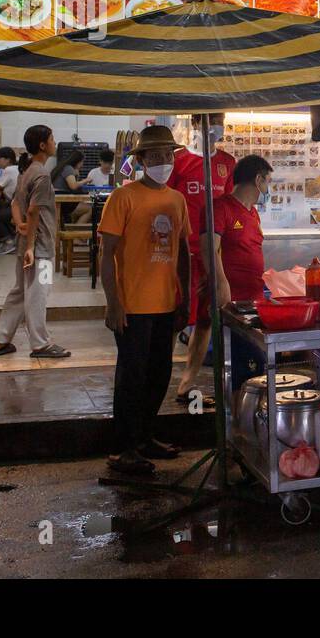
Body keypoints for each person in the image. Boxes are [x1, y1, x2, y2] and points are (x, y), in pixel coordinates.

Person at [99, 124, 191, 475]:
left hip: (166, 303)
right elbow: (106, 255)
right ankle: (122, 448)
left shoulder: (177, 199)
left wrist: (183, 299)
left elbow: (183, 252)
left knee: (159, 375)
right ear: (140, 160)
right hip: (132, 306)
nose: (163, 161)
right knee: (131, 378)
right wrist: (113, 302)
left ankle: (144, 437)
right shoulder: (123, 197)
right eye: (155, 156)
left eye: (168, 155)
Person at [168, 115, 236, 406]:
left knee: (206, 320)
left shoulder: (227, 163)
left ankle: (187, 383)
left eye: (219, 119)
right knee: (175, 318)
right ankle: (157, 379)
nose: (215, 125)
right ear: (195, 122)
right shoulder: (178, 161)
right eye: (209, 119)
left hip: (213, 255)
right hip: (180, 254)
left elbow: (230, 206)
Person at [0, 126, 70, 360]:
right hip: (40, 248)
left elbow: (15, 203)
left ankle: (1, 340)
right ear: (43, 145)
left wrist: (19, 226)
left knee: (20, 292)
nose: (55, 142)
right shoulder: (42, 175)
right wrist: (31, 247)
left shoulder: (26, 171)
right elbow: (34, 211)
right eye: (52, 139)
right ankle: (40, 344)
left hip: (28, 242)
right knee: (39, 292)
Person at [200, 154, 270, 319]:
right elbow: (209, 248)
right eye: (268, 182)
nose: (268, 189)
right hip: (229, 302)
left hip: (253, 300)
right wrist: (221, 285)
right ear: (258, 180)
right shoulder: (219, 208)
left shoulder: (253, 213)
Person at [51, 150, 91, 226]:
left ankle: (71, 232)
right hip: (62, 202)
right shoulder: (68, 168)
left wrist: (77, 175)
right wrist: (86, 180)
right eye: (82, 162)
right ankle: (76, 235)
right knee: (90, 209)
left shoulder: (62, 167)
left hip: (58, 201)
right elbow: (73, 186)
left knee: (79, 209)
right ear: (77, 161)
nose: (82, 165)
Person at [0, 147, 20, 253]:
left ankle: (8, 242)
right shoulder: (16, 168)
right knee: (2, 212)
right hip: (17, 203)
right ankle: (12, 240)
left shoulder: (9, 169)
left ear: (7, 160)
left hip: (17, 205)